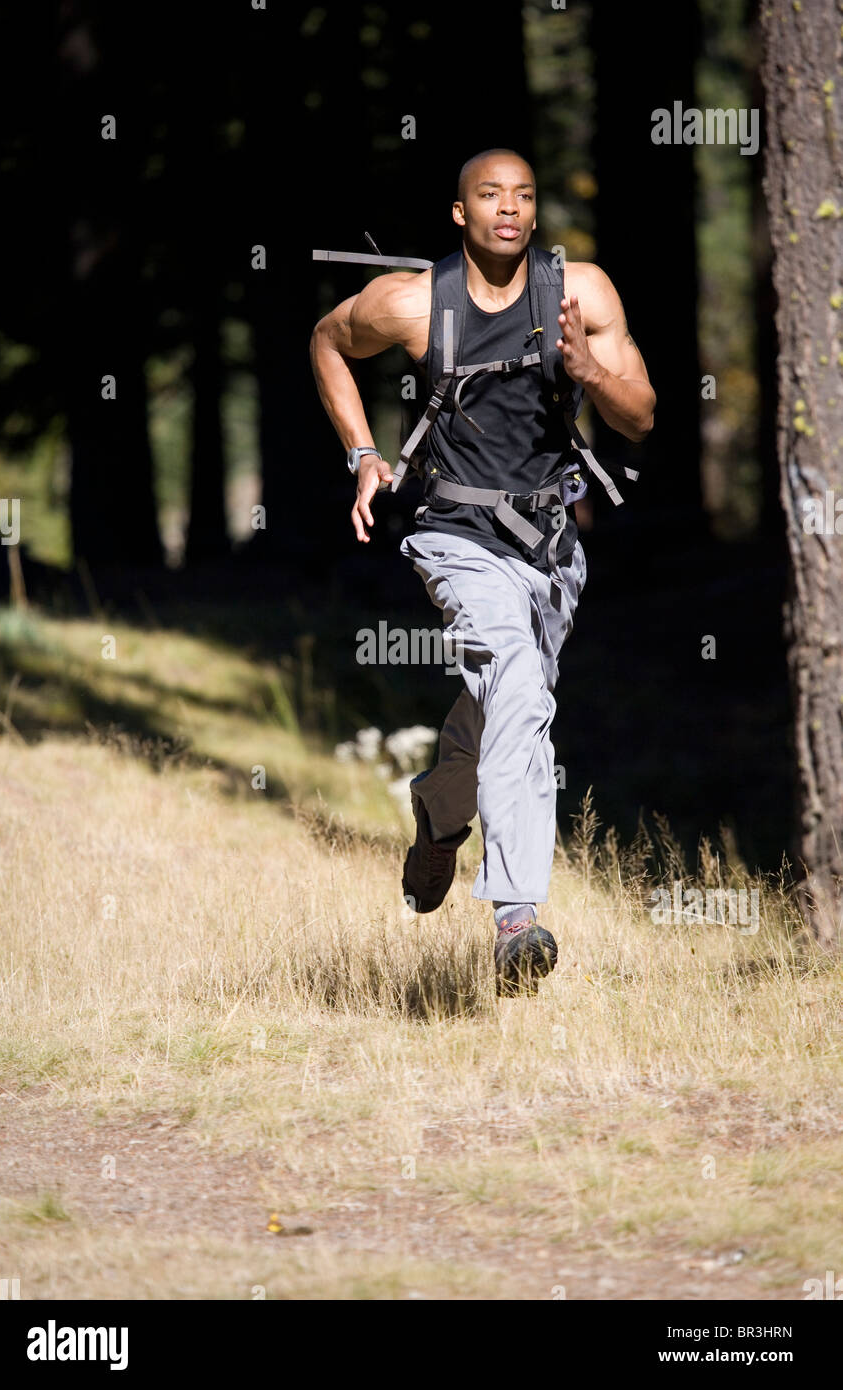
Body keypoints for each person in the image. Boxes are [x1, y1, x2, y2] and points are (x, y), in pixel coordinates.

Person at [310, 148, 655, 995]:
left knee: (503, 696)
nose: (508, 207)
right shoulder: (413, 302)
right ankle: (517, 916)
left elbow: (640, 416)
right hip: (456, 534)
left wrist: (591, 374)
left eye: (524, 195)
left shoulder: (583, 294)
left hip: (551, 550)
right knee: (518, 681)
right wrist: (362, 453)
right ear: (459, 213)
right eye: (489, 195)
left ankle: (438, 815)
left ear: (536, 215)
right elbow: (325, 340)